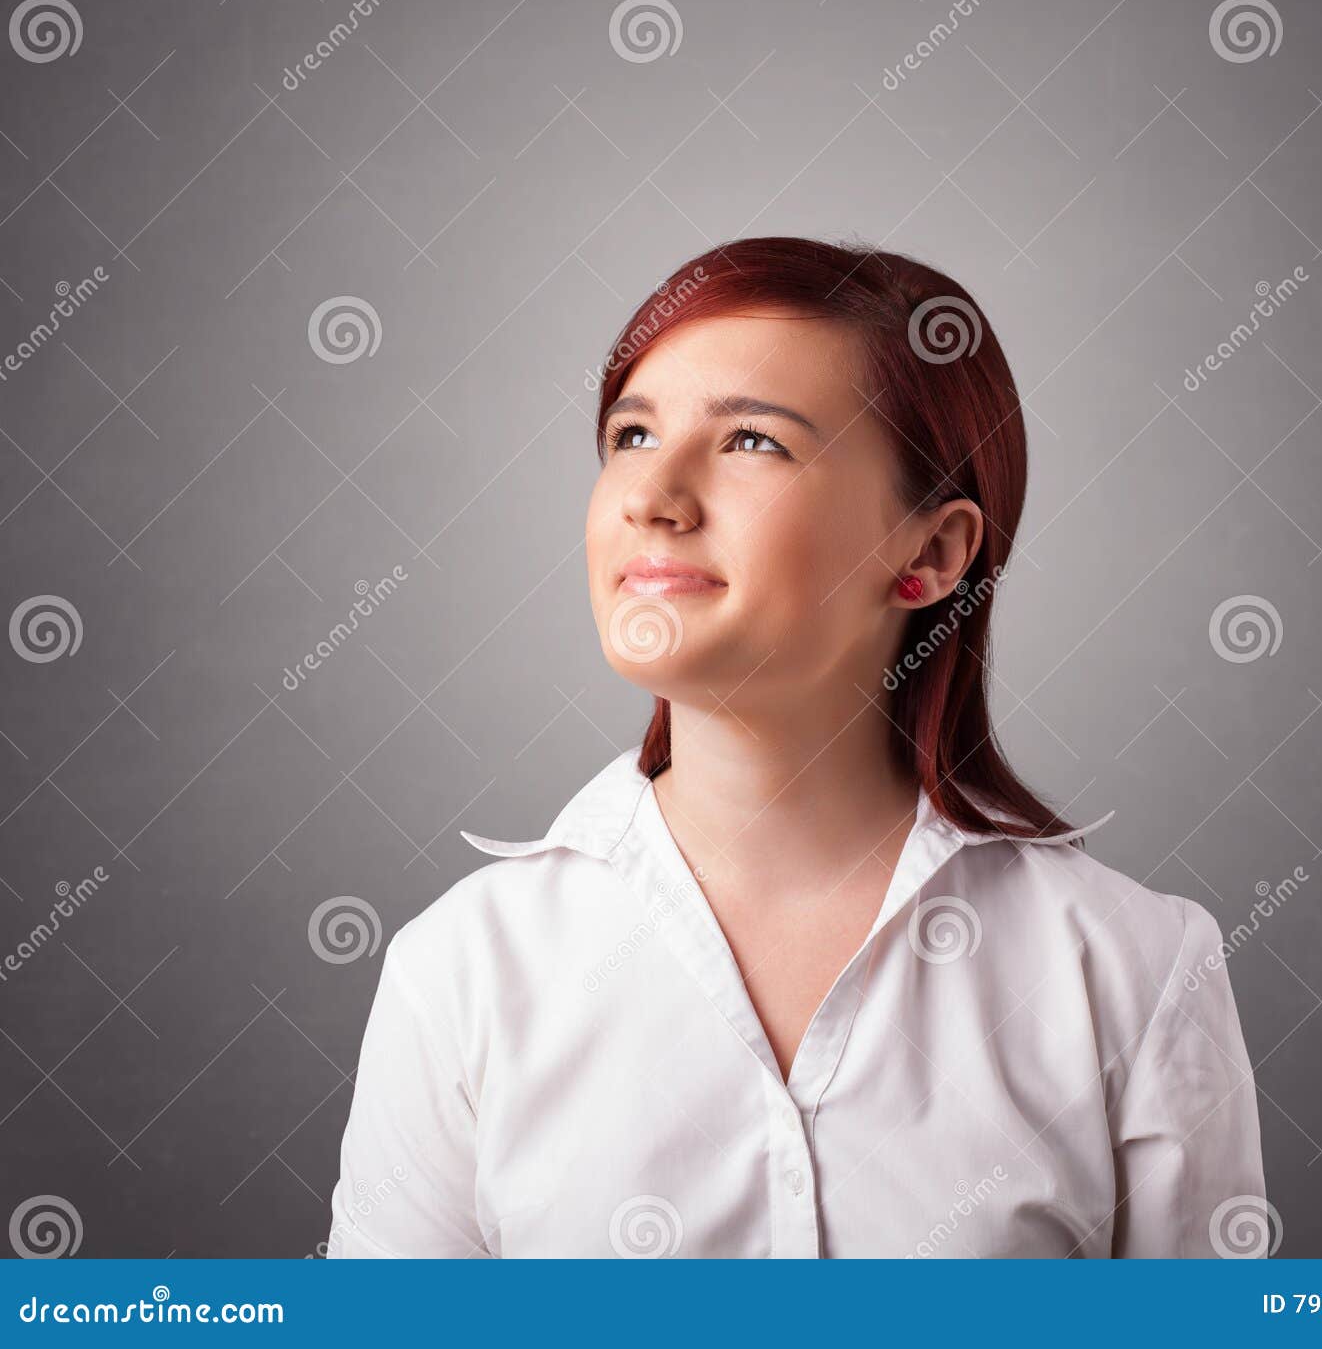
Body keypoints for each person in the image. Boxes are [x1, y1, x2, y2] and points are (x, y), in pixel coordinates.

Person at [326, 235, 1266, 1259]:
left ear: (930, 552)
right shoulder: (461, 969)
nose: (651, 497)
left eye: (751, 442)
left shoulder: (1129, 969)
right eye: (631, 435)